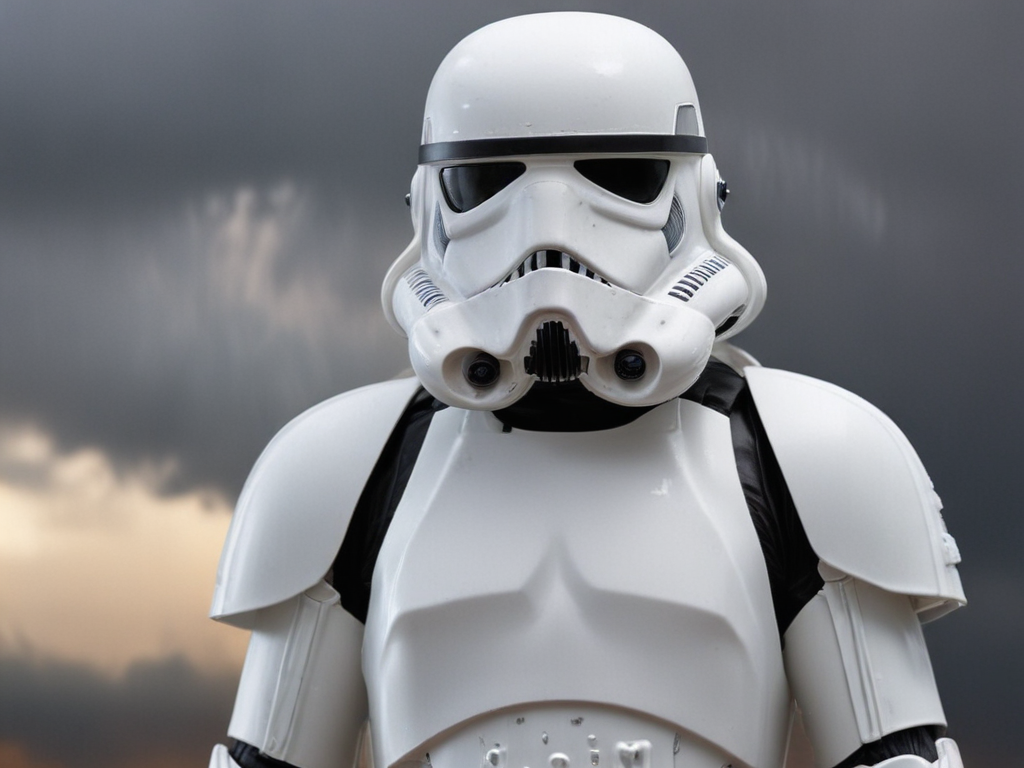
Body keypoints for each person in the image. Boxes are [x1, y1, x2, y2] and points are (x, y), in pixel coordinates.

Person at [208, 13, 966, 768]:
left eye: (617, 177)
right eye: (488, 182)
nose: (550, 235)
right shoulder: (344, 470)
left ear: (699, 200)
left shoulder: (807, 457)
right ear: (429, 208)